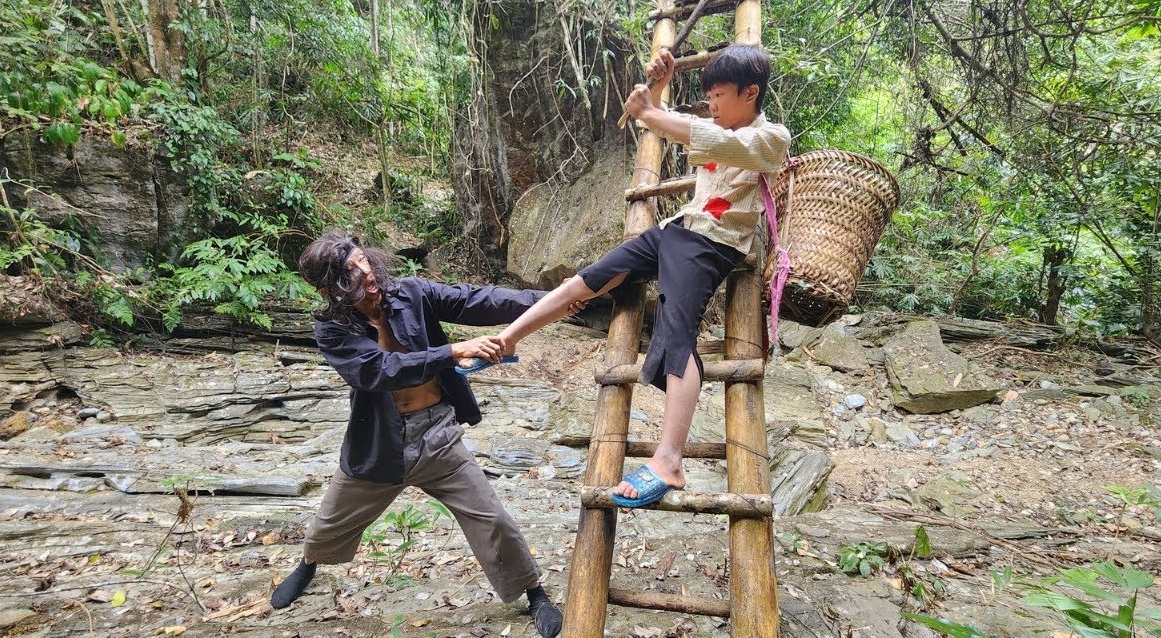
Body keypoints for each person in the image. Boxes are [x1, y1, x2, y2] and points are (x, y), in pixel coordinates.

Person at [481, 44, 790, 508]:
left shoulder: (772, 138)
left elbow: (696, 133)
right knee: (585, 280)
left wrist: (649, 108)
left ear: (750, 94)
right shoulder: (717, 125)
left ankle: (670, 461)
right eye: (709, 96)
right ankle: (506, 342)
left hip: (713, 244)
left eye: (720, 95)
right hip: (677, 229)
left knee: (677, 336)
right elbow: (679, 125)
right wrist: (658, 93)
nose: (712, 105)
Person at [270, 229, 564, 638]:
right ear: (329, 289)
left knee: (491, 518)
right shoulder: (331, 329)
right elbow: (377, 371)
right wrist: (453, 351)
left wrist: (555, 298)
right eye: (351, 273)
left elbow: (474, 300)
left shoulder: (411, 293)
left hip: (438, 435)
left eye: (364, 262)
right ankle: (308, 566)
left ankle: (535, 594)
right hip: (378, 445)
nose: (367, 274)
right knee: (329, 522)